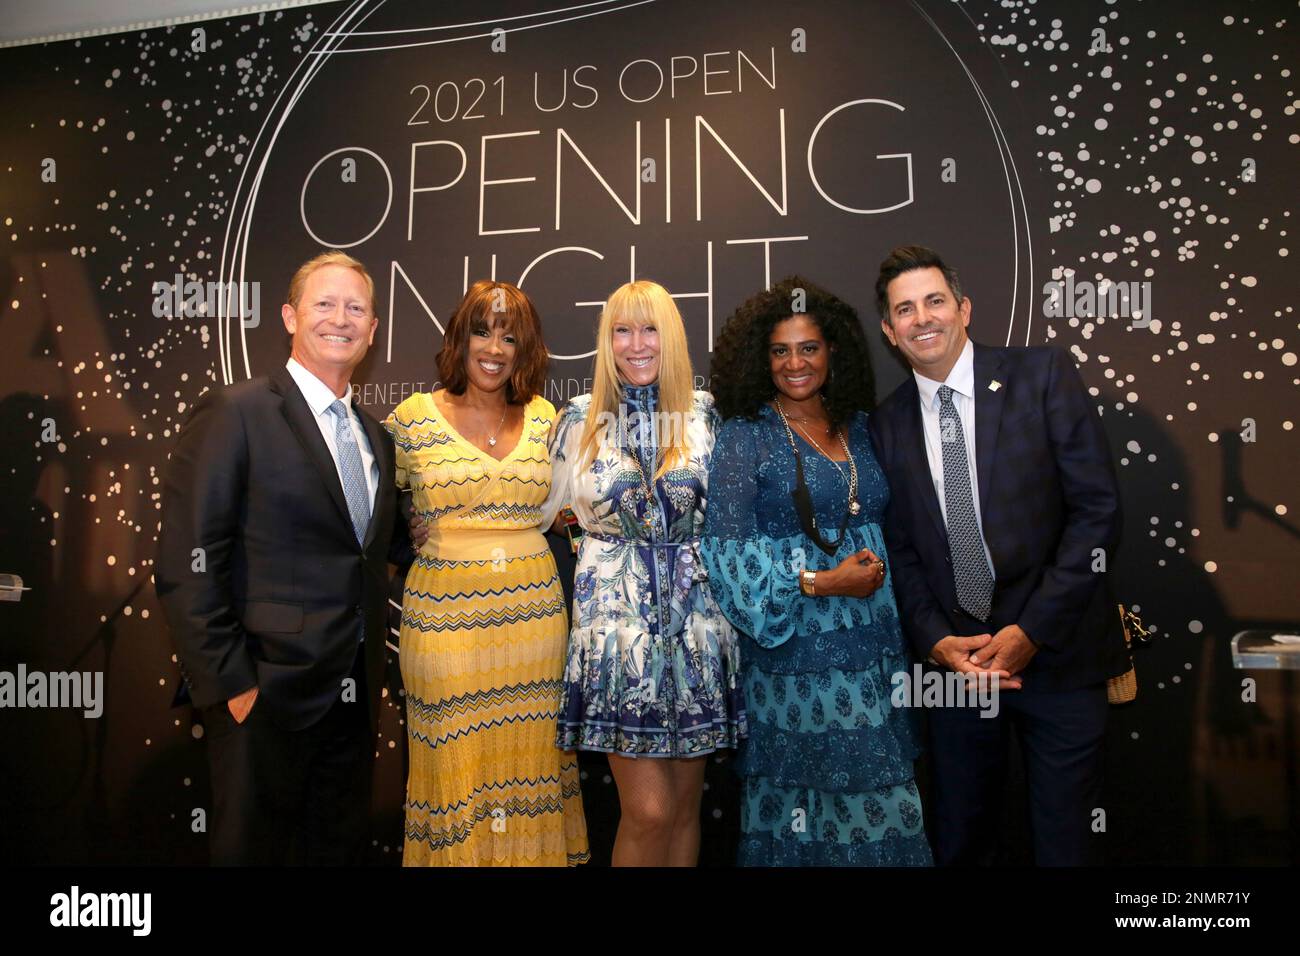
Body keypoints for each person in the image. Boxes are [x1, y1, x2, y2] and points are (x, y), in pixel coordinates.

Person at [157, 250, 421, 865]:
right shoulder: (237, 411)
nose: (341, 319)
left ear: (375, 329)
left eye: (357, 308)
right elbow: (186, 559)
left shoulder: (374, 436)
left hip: (353, 699)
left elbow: (371, 551)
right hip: (263, 696)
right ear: (289, 316)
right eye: (324, 304)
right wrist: (232, 686)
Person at [868, 245, 1126, 866]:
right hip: (956, 671)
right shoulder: (884, 424)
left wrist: (1030, 632)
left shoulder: (1041, 376)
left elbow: (1097, 511)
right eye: (905, 309)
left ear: (964, 309)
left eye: (934, 301)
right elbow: (899, 550)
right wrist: (935, 642)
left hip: (1058, 657)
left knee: (1065, 844)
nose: (922, 318)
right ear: (889, 330)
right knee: (961, 841)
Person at [700, 276, 932, 866]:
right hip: (793, 652)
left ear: (835, 351)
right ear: (762, 358)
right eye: (780, 351)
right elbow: (725, 556)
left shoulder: (862, 426)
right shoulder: (744, 437)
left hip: (875, 645)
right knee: (806, 805)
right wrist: (823, 582)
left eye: (809, 348)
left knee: (882, 793)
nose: (795, 363)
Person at [384, 280, 589, 866]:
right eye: (482, 331)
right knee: (455, 768)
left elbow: (572, 514)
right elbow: (375, 522)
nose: (494, 348)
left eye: (509, 336)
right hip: (444, 626)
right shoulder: (412, 420)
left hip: (533, 631)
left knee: (531, 766)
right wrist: (410, 533)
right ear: (460, 338)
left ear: (527, 350)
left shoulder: (549, 419)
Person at [541, 279, 745, 867]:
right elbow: (548, 512)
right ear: (606, 341)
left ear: (672, 337)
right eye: (621, 330)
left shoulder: (709, 416)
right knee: (649, 810)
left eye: (649, 328)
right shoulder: (576, 419)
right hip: (615, 638)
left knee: (683, 810)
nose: (636, 344)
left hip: (701, 632)